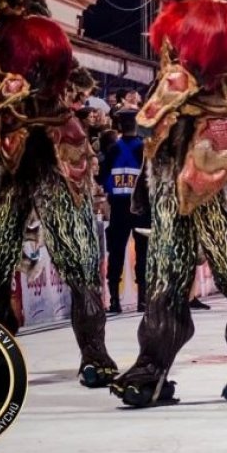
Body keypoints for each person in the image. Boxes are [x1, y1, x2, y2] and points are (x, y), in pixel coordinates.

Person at [100, 111, 145, 314]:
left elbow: (102, 178)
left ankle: (115, 302)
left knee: (116, 253)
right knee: (143, 253)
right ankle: (143, 300)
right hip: (140, 209)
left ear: (120, 126)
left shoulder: (112, 150)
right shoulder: (143, 149)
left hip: (118, 207)